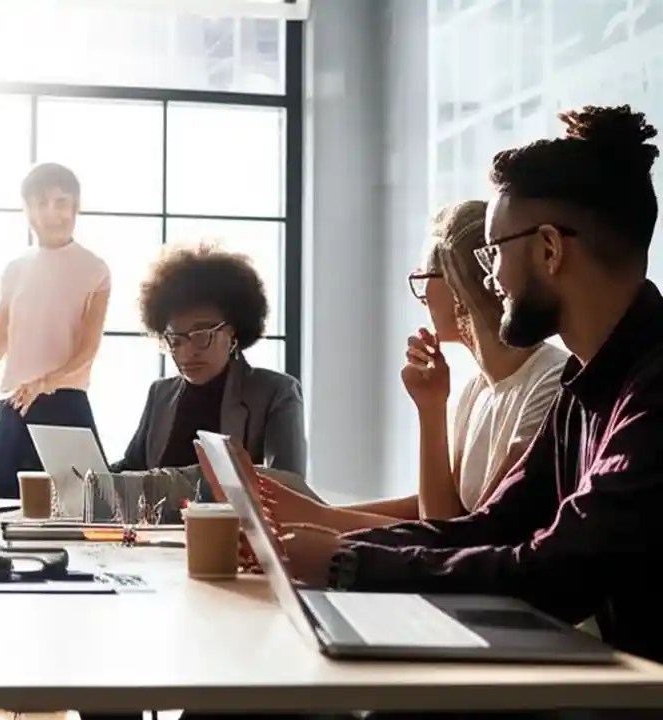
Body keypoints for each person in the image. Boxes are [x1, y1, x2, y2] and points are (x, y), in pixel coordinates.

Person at [271, 104, 663, 677]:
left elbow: (555, 575)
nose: (492, 279)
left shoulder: (651, 391)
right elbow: (493, 525)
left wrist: (348, 562)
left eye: (493, 251)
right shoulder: (587, 383)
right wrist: (338, 552)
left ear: (549, 249)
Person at [262, 202, 567, 532]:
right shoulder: (478, 388)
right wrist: (314, 512)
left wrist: (318, 517)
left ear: (458, 285)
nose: (421, 296)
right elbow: (434, 508)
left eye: (424, 278)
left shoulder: (550, 382)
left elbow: (461, 531)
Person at [113, 244, 315, 502]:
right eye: (175, 339)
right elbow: (132, 467)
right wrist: (85, 475)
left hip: (232, 536)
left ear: (233, 333)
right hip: (158, 537)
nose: (187, 352)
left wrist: (171, 482)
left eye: (201, 336)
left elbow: (288, 484)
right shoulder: (161, 394)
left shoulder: (275, 392)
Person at [0, 163, 111, 498]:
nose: (51, 213)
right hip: (15, 405)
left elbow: (87, 352)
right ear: (26, 209)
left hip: (66, 405)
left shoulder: (95, 269)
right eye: (41, 203)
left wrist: (45, 383)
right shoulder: (15, 269)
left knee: (83, 508)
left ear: (76, 206)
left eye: (61, 202)